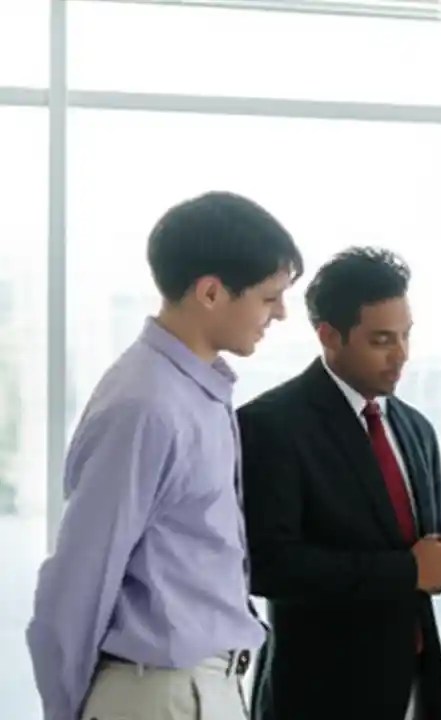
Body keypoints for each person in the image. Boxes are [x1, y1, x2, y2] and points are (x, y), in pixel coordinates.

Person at [26, 192, 303, 720]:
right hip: (160, 696)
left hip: (202, 689)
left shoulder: (195, 393)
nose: (281, 314)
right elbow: (77, 580)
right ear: (210, 292)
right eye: (270, 298)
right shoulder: (147, 405)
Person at [238, 247, 441, 720]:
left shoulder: (415, 429)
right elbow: (267, 566)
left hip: (415, 688)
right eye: (381, 340)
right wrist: (406, 572)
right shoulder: (271, 427)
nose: (401, 356)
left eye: (405, 336)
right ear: (329, 335)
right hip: (318, 697)